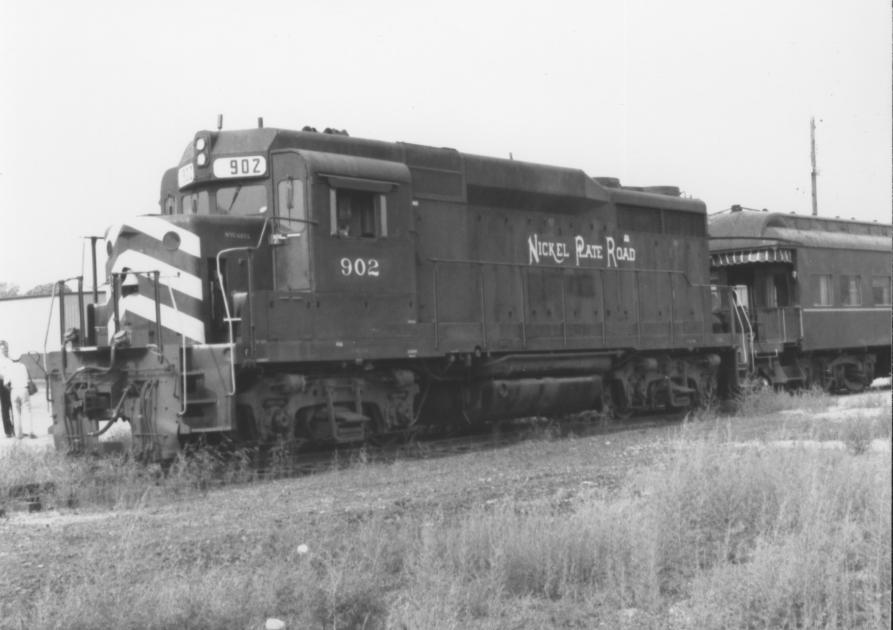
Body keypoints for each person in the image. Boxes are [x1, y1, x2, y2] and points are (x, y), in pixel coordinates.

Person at [3, 357, 34, 439]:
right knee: (27, 411)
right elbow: (28, 380)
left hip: (14, 390)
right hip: (24, 389)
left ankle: (18, 434)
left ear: (11, 359)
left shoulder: (9, 368)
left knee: (16, 413)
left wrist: (11, 389)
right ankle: (30, 432)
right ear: (19, 358)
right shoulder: (23, 366)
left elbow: (5, 383)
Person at [0, 340, 14, 438]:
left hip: (9, 382)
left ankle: (12, 428)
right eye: (3, 349)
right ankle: (8, 431)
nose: (5, 350)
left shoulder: (9, 359)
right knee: (5, 407)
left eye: (6, 348)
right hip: (2, 383)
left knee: (11, 406)